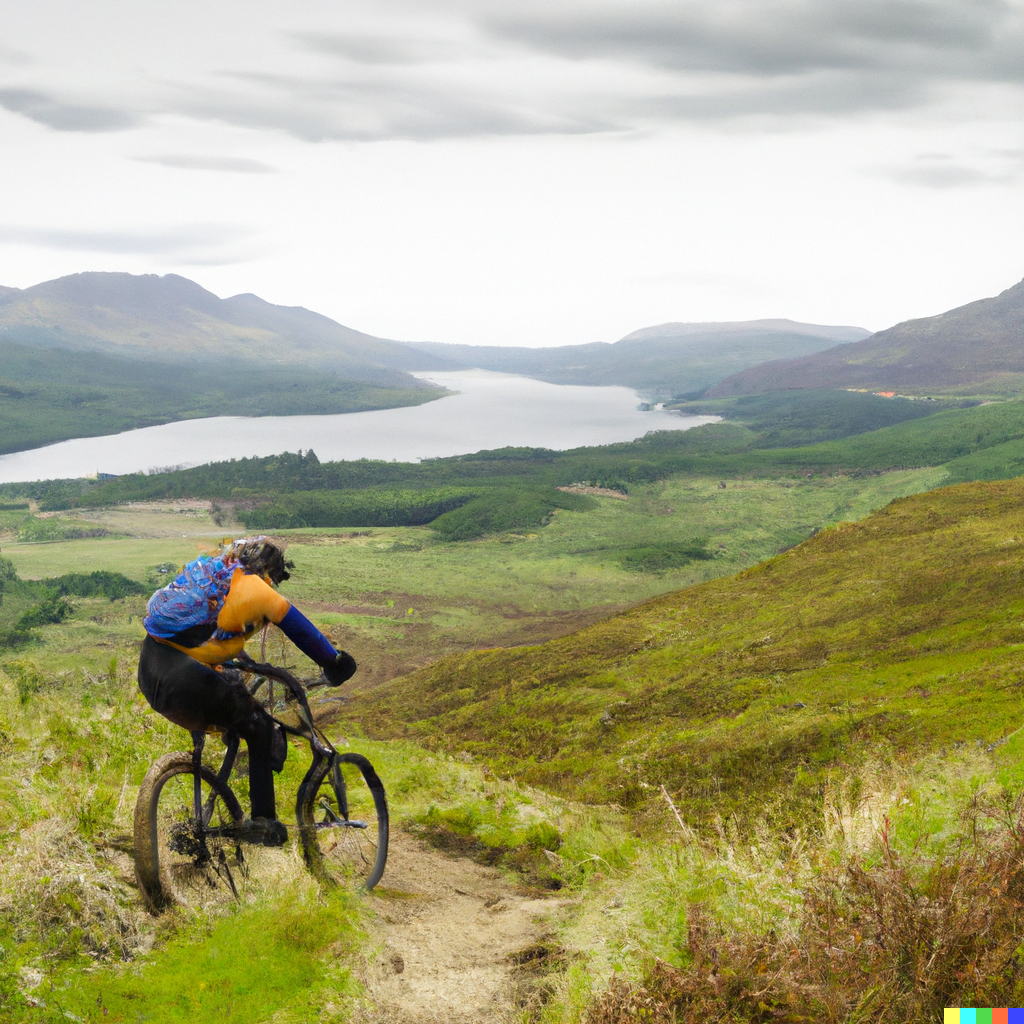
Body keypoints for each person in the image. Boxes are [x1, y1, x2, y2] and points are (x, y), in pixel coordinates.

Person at [137, 536, 356, 844]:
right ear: (269, 570)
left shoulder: (214, 574)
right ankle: (263, 822)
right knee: (260, 726)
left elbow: (208, 638)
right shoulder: (257, 589)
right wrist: (336, 663)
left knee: (232, 700)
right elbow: (304, 633)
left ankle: (215, 787)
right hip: (182, 680)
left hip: (150, 670)